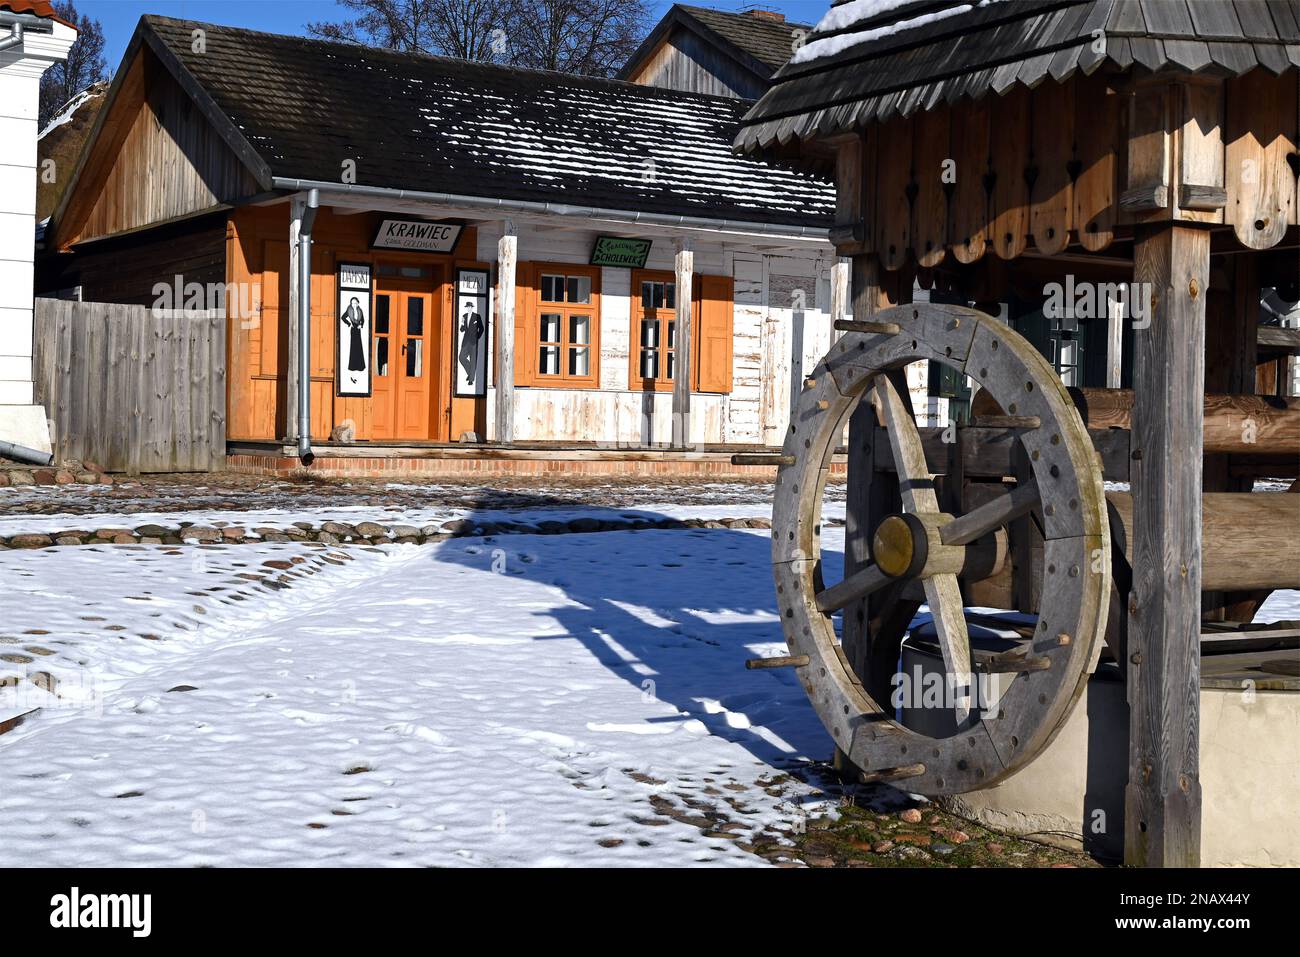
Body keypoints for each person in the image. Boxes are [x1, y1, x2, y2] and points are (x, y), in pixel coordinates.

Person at [459, 299, 484, 386]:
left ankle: (471, 380)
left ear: (472, 308)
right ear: (466, 308)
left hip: (474, 342)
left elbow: (482, 328)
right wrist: (462, 324)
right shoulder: (464, 316)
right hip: (466, 341)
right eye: (467, 307)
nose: (469, 308)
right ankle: (470, 373)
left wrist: (477, 337)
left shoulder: (477, 316)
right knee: (461, 357)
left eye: (470, 307)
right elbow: (462, 330)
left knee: (473, 360)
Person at [340, 297, 366, 372]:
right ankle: (353, 366)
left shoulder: (360, 310)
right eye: (352, 303)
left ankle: (360, 366)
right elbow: (343, 317)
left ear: (358, 303)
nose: (353, 304)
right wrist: (349, 324)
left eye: (355, 303)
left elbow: (363, 320)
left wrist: (361, 325)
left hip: (358, 329)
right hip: (353, 329)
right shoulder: (349, 310)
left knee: (359, 347)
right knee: (353, 347)